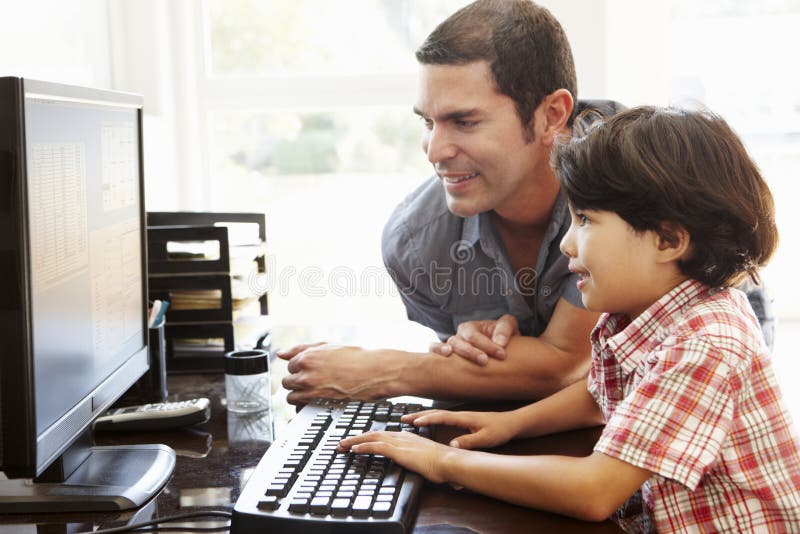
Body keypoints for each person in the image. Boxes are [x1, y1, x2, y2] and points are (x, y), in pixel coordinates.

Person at [278, 0, 774, 406]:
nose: (434, 151)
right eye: (428, 123)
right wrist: (478, 348)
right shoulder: (414, 244)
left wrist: (387, 370)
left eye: (464, 122)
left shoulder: (640, 181)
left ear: (552, 115)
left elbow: (569, 366)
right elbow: (486, 375)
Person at [339, 106, 800, 532]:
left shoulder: (707, 342)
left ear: (667, 241)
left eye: (586, 220)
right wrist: (512, 423)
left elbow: (594, 490)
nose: (567, 243)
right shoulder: (649, 313)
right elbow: (602, 395)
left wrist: (442, 463)